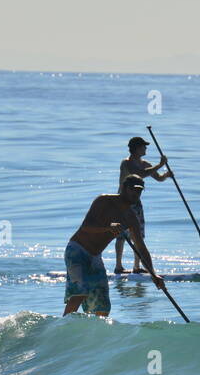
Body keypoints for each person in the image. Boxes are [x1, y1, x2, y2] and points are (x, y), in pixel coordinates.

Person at [63, 175, 165, 317]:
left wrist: (153, 274)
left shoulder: (131, 217)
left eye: (139, 191)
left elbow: (141, 247)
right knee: (80, 292)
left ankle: (97, 335)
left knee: (103, 305)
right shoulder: (104, 201)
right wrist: (108, 228)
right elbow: (87, 227)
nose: (136, 194)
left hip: (95, 257)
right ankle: (64, 327)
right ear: (124, 188)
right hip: (77, 251)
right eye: (133, 190)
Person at [114, 135, 171, 273]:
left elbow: (157, 178)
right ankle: (118, 266)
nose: (145, 148)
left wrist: (166, 175)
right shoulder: (126, 163)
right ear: (136, 148)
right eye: (143, 146)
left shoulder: (145, 163)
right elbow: (139, 174)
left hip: (136, 202)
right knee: (122, 235)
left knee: (138, 234)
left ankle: (137, 266)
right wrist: (160, 165)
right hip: (122, 202)